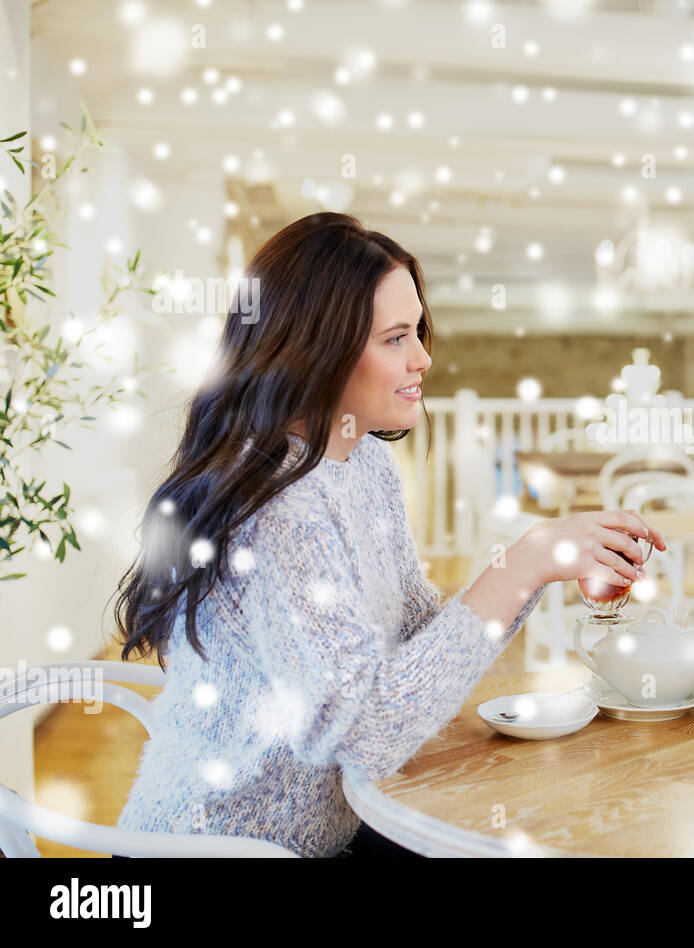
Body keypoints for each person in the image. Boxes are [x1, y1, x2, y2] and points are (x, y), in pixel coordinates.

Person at [112, 212, 665, 858]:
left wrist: (541, 564)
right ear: (316, 349)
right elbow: (368, 728)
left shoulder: (360, 459)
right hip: (218, 850)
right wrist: (521, 566)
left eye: (418, 331)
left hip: (328, 832)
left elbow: (409, 633)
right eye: (396, 337)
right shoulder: (280, 508)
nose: (423, 358)